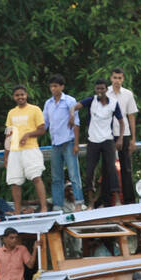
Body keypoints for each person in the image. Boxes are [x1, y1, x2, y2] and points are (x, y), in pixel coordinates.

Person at [4, 86, 49, 214]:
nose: (20, 97)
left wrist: (28, 134)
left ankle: (44, 207)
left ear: (26, 95)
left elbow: (42, 129)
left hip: (30, 149)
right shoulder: (11, 112)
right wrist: (6, 155)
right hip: (14, 151)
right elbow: (8, 134)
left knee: (36, 177)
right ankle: (17, 211)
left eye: (22, 94)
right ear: (14, 97)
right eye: (17, 95)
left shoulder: (34, 109)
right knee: (14, 181)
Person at [79, 80, 123, 207]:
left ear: (106, 90)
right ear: (95, 89)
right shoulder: (91, 101)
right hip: (93, 140)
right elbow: (76, 106)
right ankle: (91, 203)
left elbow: (121, 121)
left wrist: (119, 138)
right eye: (97, 89)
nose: (100, 91)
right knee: (90, 171)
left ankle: (118, 200)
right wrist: (72, 115)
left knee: (112, 169)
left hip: (108, 140)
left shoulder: (113, 103)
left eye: (102, 89)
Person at [44, 75, 84, 212]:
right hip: (55, 143)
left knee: (74, 174)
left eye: (56, 86)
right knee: (56, 176)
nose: (53, 89)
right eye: (51, 86)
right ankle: (58, 204)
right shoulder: (48, 103)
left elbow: (76, 123)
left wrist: (76, 144)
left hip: (69, 141)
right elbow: (45, 124)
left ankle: (78, 203)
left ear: (62, 87)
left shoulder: (69, 100)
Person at [107, 69, 140, 203]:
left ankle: (129, 200)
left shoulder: (127, 94)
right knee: (108, 167)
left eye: (120, 78)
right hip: (107, 134)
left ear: (123, 79)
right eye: (115, 77)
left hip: (124, 133)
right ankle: (109, 199)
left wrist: (133, 138)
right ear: (111, 78)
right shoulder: (104, 93)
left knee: (126, 167)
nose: (117, 81)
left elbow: (131, 116)